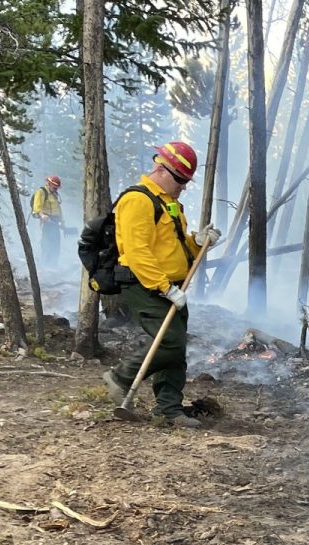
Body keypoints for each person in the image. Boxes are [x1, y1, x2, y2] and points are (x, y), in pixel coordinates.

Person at [101, 141, 220, 429]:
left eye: (186, 181)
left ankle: (169, 410)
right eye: (179, 179)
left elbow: (174, 248)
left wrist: (198, 242)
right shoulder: (137, 201)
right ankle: (120, 376)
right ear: (160, 169)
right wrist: (164, 288)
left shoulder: (170, 203)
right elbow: (138, 252)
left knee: (175, 347)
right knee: (170, 342)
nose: (183, 186)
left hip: (173, 285)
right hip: (146, 285)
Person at [31, 174, 63, 266]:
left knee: (56, 245)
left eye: (57, 187)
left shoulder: (54, 194)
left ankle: (53, 265)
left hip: (55, 222)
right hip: (47, 222)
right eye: (55, 187)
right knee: (47, 243)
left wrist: (62, 222)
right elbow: (36, 207)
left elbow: (58, 209)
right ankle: (45, 266)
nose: (56, 189)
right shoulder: (41, 192)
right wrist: (42, 215)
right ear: (49, 184)